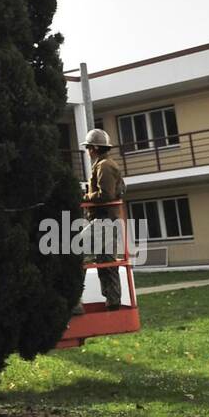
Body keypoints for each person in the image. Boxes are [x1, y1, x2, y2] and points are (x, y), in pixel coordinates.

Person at [72, 129, 125, 313]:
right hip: (107, 221)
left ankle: (74, 301)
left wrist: (85, 197)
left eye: (88, 147)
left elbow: (106, 194)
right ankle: (113, 302)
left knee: (75, 251)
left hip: (103, 221)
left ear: (94, 148)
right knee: (106, 262)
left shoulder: (104, 166)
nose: (87, 151)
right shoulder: (105, 164)